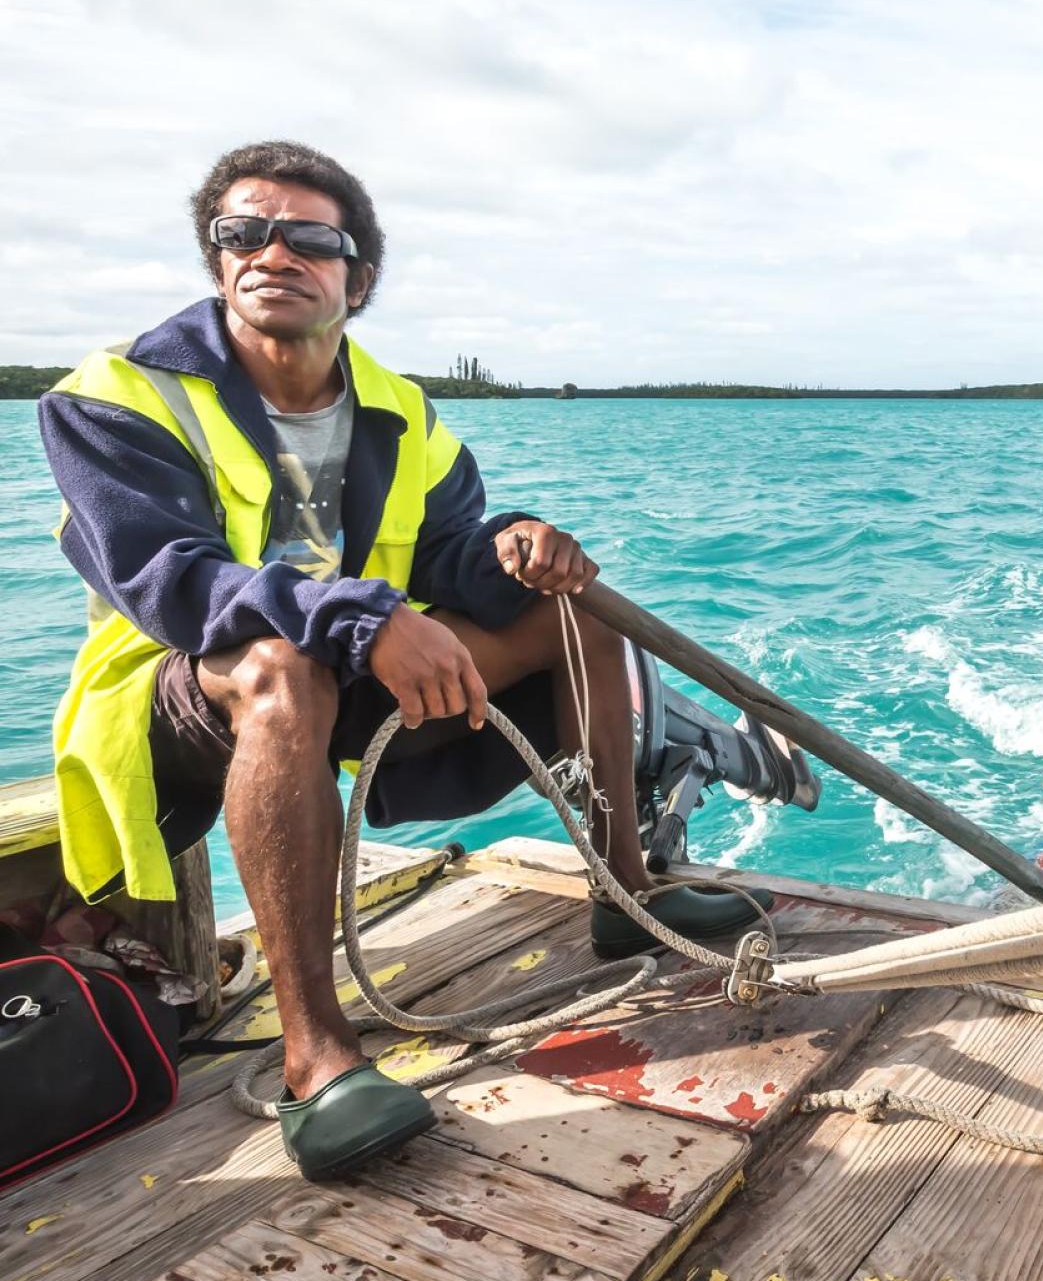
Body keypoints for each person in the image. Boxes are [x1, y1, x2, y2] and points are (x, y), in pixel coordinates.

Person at [39, 140, 769, 1180]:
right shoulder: (116, 396)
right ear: (216, 261)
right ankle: (315, 1055)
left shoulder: (398, 407)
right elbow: (171, 582)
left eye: (310, 238)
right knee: (283, 668)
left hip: (345, 668)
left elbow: (446, 552)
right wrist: (365, 622)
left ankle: (625, 889)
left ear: (358, 279)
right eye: (243, 232)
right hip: (182, 692)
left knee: (580, 616)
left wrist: (515, 543)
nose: (273, 252)